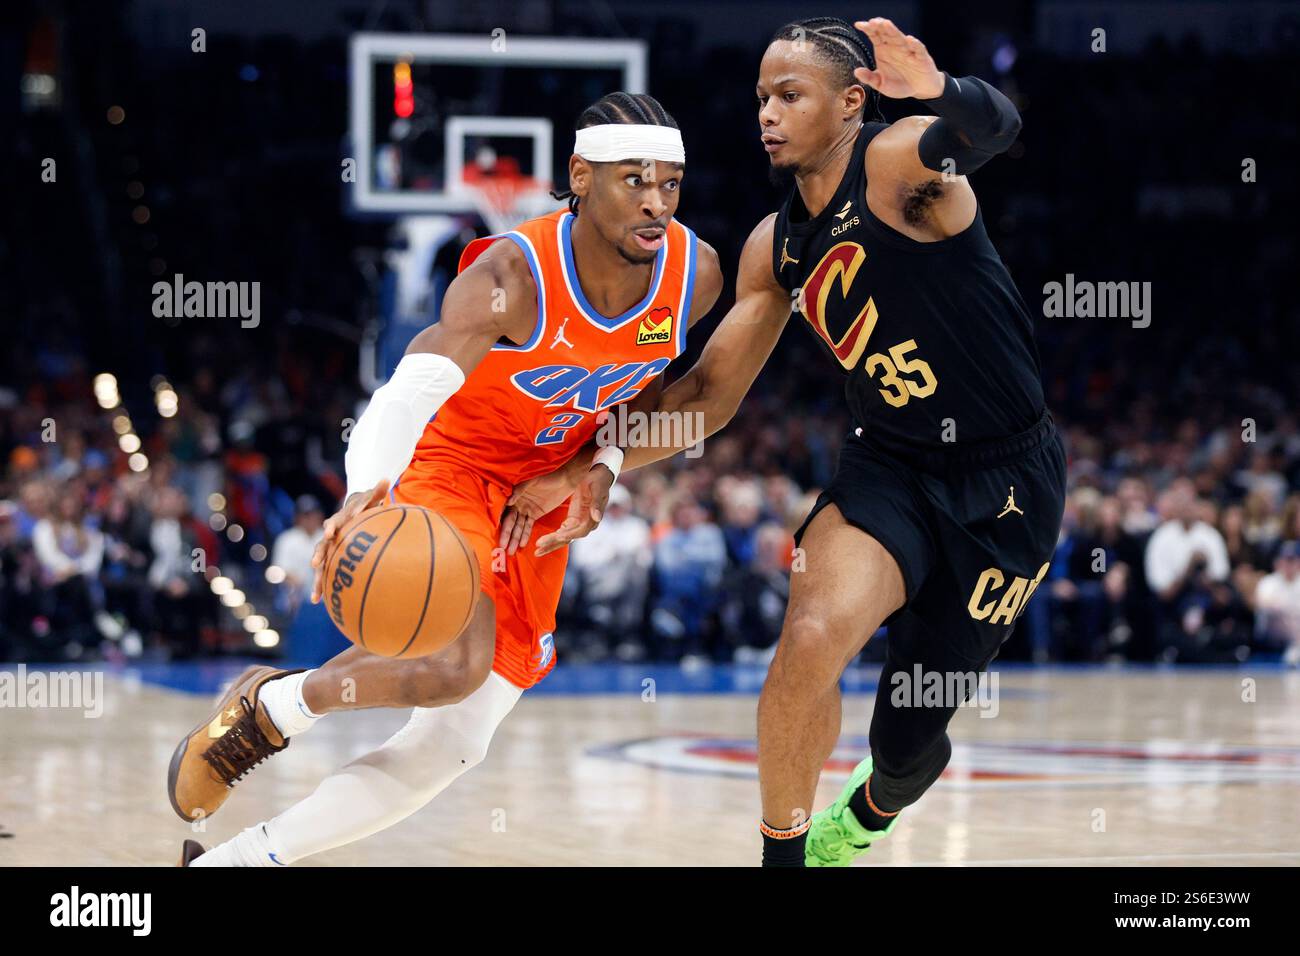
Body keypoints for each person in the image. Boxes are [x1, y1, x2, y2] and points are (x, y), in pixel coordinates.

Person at [508, 16, 1065, 867]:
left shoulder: (896, 161)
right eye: (762, 96)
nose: (766, 112)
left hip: (1010, 478)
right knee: (808, 636)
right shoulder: (774, 248)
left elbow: (995, 129)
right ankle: (784, 859)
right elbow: (706, 394)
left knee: (908, 744)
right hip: (890, 465)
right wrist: (601, 462)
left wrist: (937, 90)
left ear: (851, 101)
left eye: (789, 94)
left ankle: (874, 809)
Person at [168, 92, 722, 867]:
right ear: (581, 177)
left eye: (671, 183)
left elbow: (651, 395)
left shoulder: (694, 276)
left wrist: (595, 467)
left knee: (458, 741)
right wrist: (367, 488)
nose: (657, 203)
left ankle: (238, 862)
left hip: (543, 492)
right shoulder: (512, 274)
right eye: (636, 180)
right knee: (451, 667)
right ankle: (276, 706)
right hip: (453, 463)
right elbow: (413, 386)